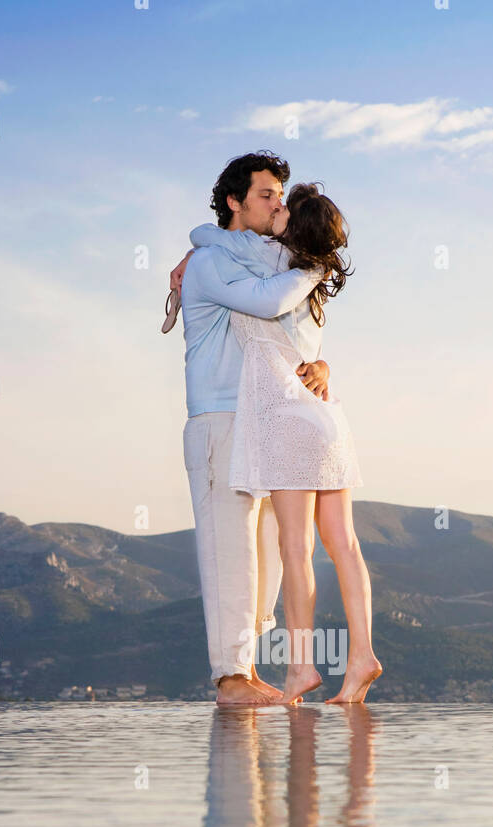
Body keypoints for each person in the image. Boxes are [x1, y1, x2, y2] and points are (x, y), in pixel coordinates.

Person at [186, 183, 382, 704]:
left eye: (283, 206)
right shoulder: (313, 287)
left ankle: (300, 668)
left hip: (289, 423)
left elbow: (251, 281)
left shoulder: (276, 278)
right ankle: (361, 654)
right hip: (329, 418)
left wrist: (196, 247)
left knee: (295, 549)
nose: (277, 210)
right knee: (346, 544)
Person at [168, 152, 330, 708]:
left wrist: (323, 366)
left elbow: (293, 333)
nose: (277, 204)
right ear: (235, 201)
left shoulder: (261, 258)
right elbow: (267, 302)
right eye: (266, 194)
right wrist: (318, 264)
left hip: (265, 419)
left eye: (281, 195)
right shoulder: (213, 263)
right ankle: (230, 678)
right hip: (219, 418)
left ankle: (249, 668)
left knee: (269, 554)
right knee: (227, 549)